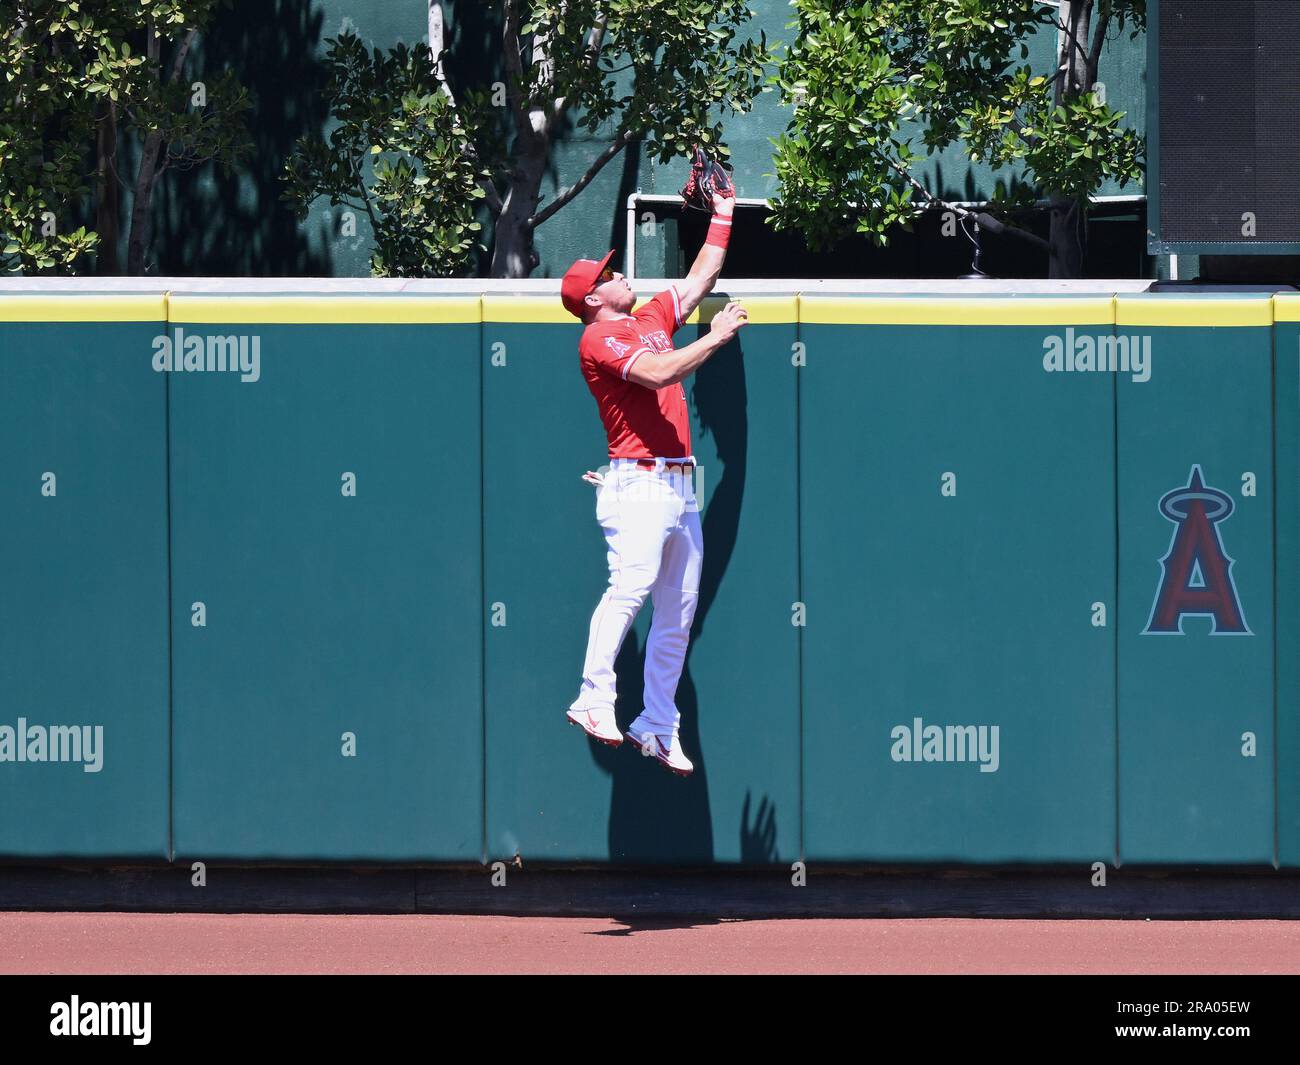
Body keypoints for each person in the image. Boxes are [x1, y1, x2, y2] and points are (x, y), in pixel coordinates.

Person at [559, 188, 747, 776]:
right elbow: (659, 372)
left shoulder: (651, 317)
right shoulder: (599, 337)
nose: (620, 274)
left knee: (679, 611)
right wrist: (716, 337)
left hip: (676, 487)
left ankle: (657, 724)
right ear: (593, 298)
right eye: (609, 273)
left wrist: (723, 211)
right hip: (639, 485)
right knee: (632, 586)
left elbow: (701, 277)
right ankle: (593, 698)